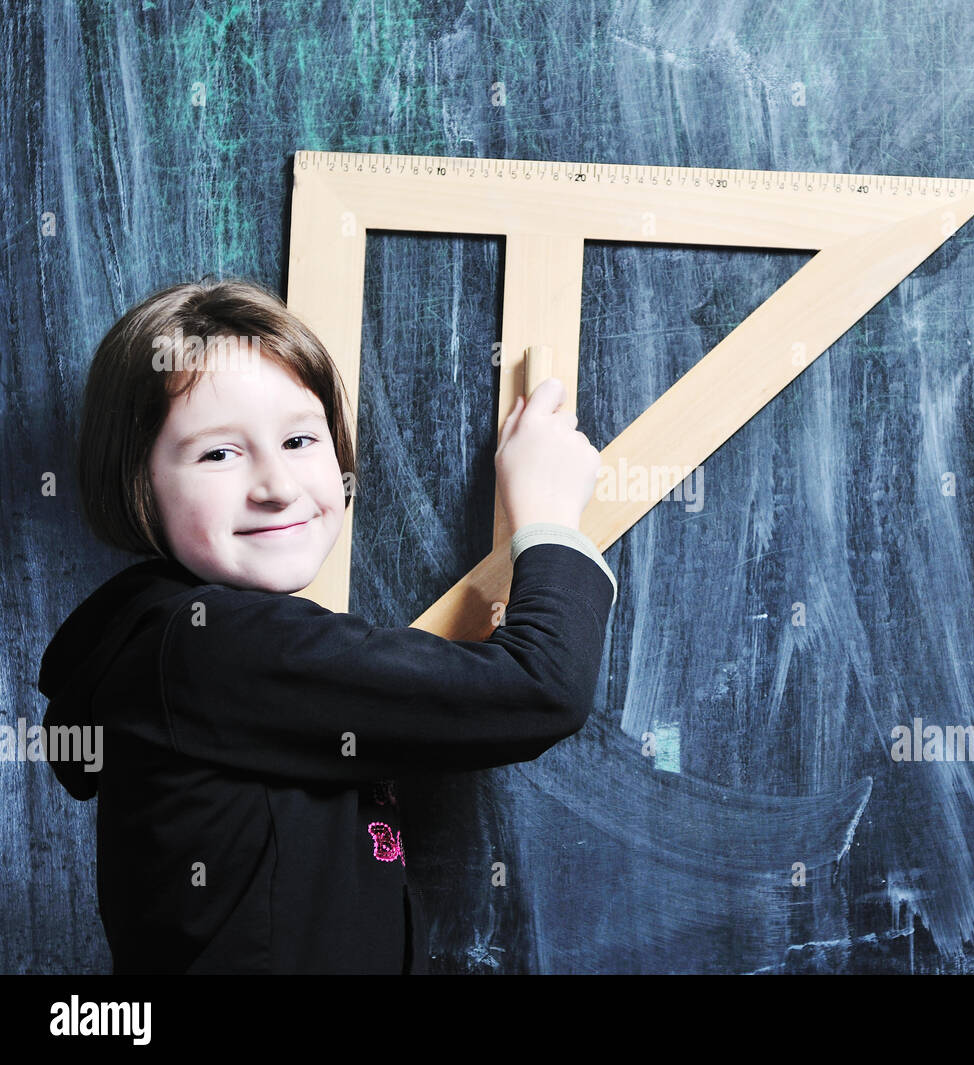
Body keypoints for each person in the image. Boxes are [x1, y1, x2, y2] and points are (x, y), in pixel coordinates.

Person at [37, 276, 617, 974]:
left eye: (300, 438)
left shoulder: (185, 641)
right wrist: (549, 513)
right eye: (217, 452)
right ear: (137, 482)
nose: (277, 485)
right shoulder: (205, 642)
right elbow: (541, 686)